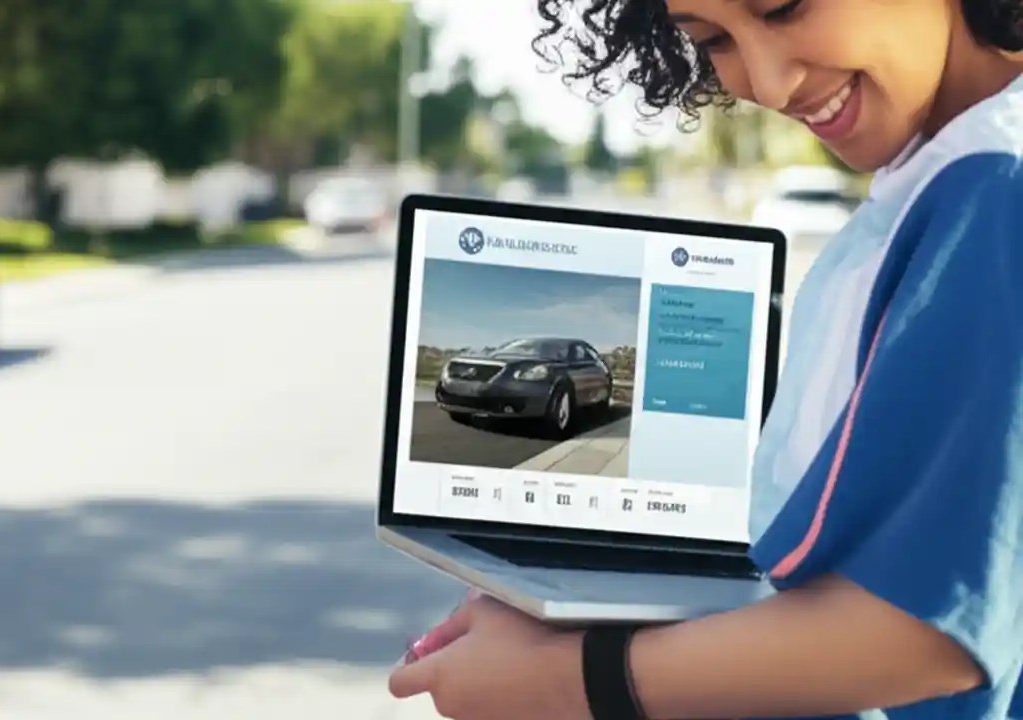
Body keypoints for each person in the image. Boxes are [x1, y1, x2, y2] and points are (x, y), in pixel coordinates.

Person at [387, 0, 1023, 718]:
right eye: (713, 39)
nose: (770, 84)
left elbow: (922, 633)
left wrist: (571, 678)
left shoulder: (997, 190)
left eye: (784, 8)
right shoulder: (942, 170)